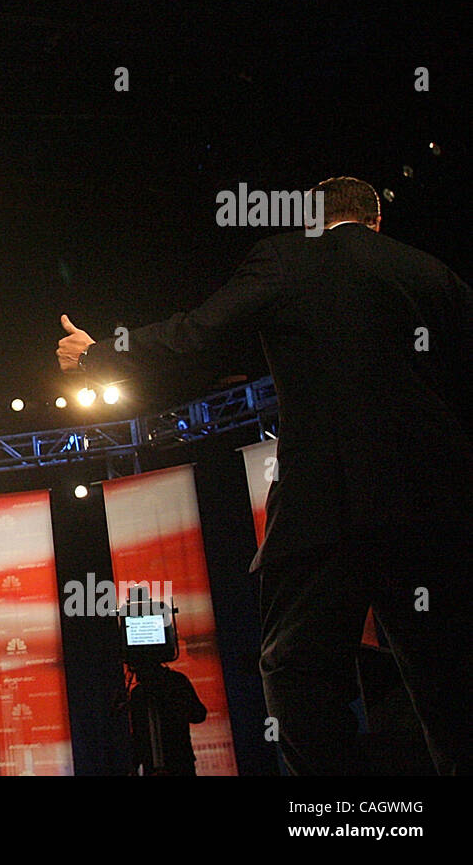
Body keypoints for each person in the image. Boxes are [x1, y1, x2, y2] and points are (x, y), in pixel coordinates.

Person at [56, 177, 473, 775]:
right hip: (434, 509)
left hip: (323, 510)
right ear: (375, 221)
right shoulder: (431, 273)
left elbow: (195, 334)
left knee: (298, 678)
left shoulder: (287, 258)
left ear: (311, 219)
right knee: (450, 683)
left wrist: (98, 354)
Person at [125, 662, 208, 775]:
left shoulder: (140, 694)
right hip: (175, 761)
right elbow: (198, 714)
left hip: (177, 761)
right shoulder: (176, 682)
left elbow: (198, 714)